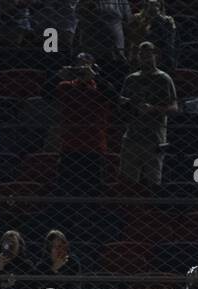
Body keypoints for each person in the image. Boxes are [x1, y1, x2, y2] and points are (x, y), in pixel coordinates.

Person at [116, 42, 178, 186]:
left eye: (148, 54)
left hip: (154, 136)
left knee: (153, 180)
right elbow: (121, 106)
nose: (144, 57)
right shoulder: (131, 79)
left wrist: (152, 109)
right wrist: (128, 104)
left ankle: (150, 207)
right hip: (133, 134)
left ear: (155, 55)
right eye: (141, 54)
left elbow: (174, 108)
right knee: (127, 180)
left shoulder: (163, 78)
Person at [55, 53, 116, 198]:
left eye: (86, 64)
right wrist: (59, 76)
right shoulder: (66, 87)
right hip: (70, 145)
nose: (82, 68)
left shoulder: (100, 87)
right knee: (67, 190)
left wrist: (94, 77)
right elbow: (46, 93)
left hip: (94, 146)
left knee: (93, 190)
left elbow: (112, 96)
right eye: (79, 64)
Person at [127, 1, 178, 72]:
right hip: (140, 53)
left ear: (160, 6)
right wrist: (146, 20)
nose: (152, 7)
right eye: (150, 4)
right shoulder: (136, 18)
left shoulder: (167, 20)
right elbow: (134, 38)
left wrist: (158, 19)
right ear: (145, 5)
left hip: (161, 53)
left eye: (156, 4)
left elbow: (170, 39)